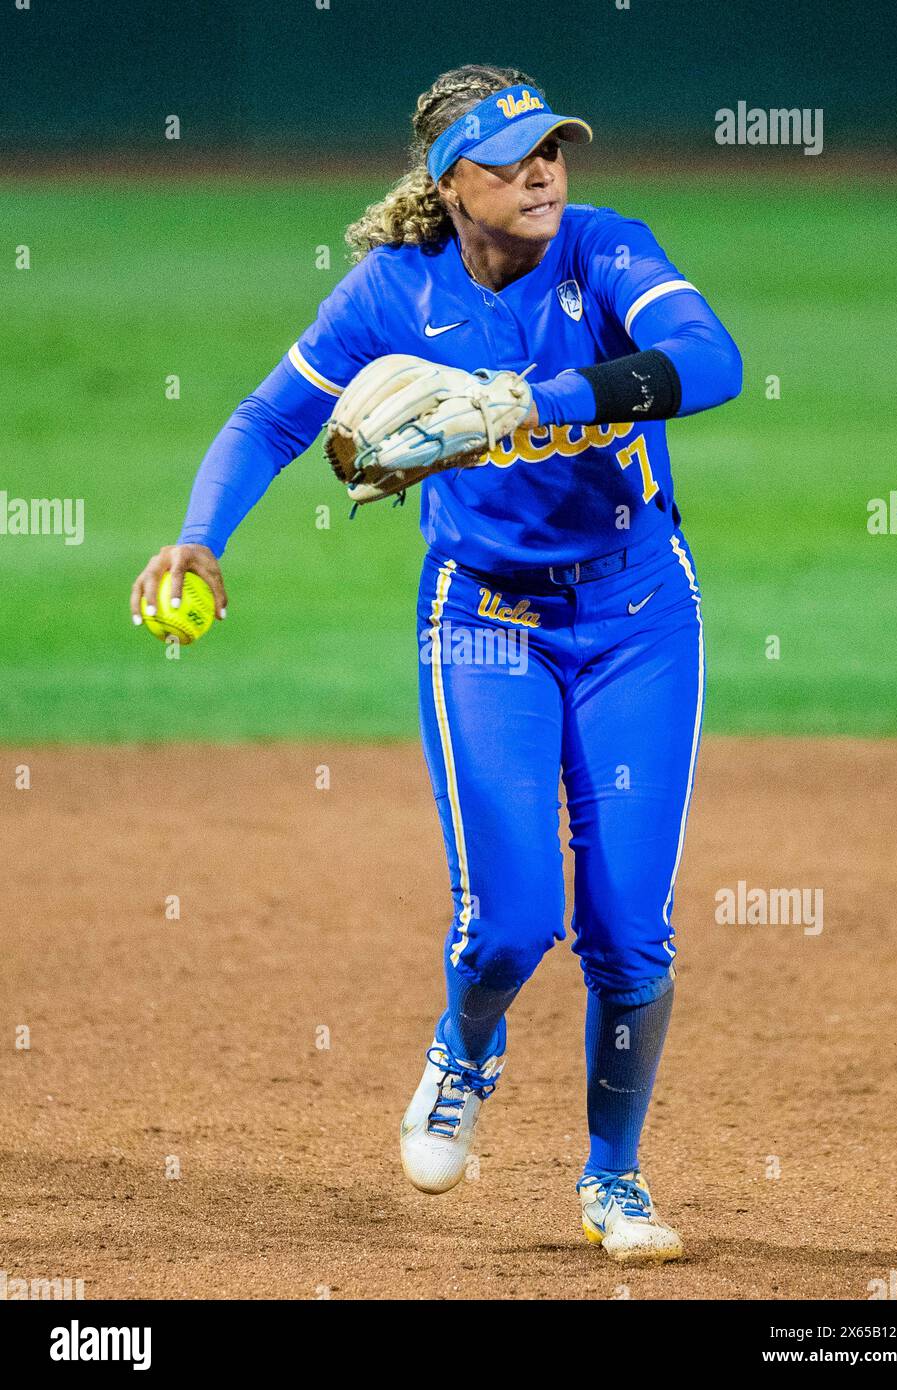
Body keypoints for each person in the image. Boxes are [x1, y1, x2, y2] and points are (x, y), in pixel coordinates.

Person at [130, 63, 742, 1265]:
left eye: (551, 148)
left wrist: (532, 398)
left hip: (639, 617)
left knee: (628, 931)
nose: (540, 170)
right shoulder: (393, 293)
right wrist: (201, 534)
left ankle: (612, 1177)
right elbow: (270, 420)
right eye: (510, 156)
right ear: (449, 183)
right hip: (484, 623)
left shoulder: (605, 254)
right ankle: (466, 1045)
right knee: (511, 923)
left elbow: (709, 359)